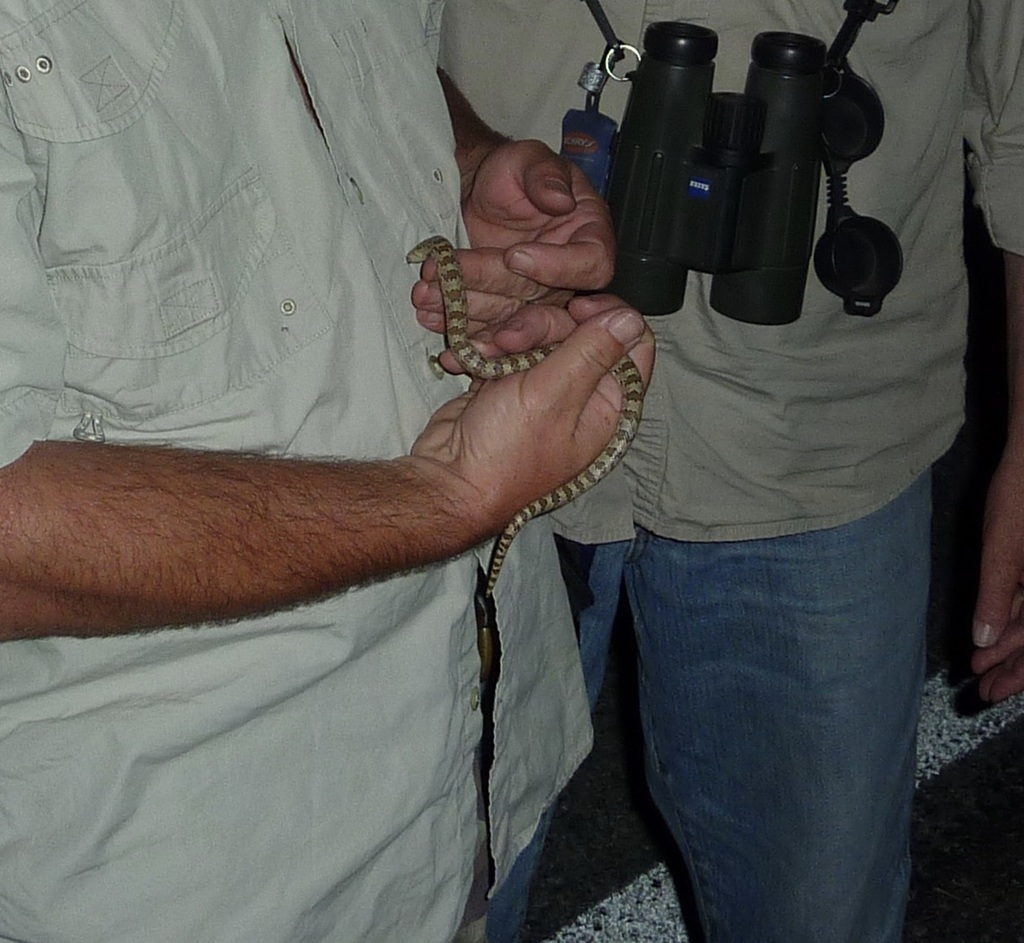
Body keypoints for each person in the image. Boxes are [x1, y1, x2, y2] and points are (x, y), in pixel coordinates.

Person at [0, 4, 654, 942]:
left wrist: (467, 161)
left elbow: (372, 52)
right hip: (192, 870)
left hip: (466, 771)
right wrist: (446, 498)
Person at [440, 1, 1024, 941]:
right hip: (471, 389)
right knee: (428, 903)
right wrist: (468, 155)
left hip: (821, 432)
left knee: (816, 914)